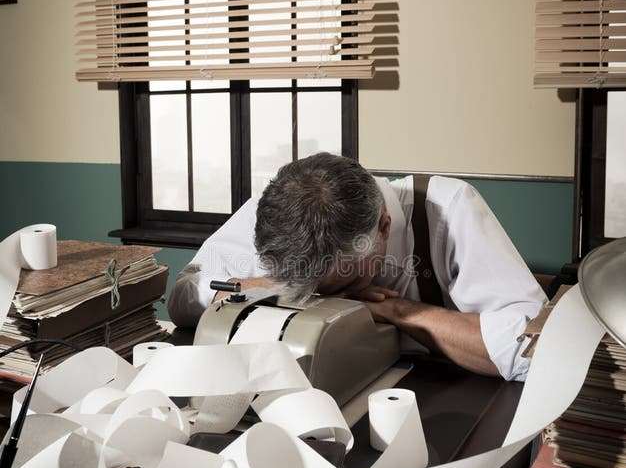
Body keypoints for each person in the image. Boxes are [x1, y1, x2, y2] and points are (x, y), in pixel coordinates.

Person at [168, 153, 546, 381]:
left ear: (383, 228)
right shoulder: (276, 212)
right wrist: (268, 283)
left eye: (340, 282)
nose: (325, 297)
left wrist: (396, 310)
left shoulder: (449, 209)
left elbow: (535, 350)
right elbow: (183, 297)